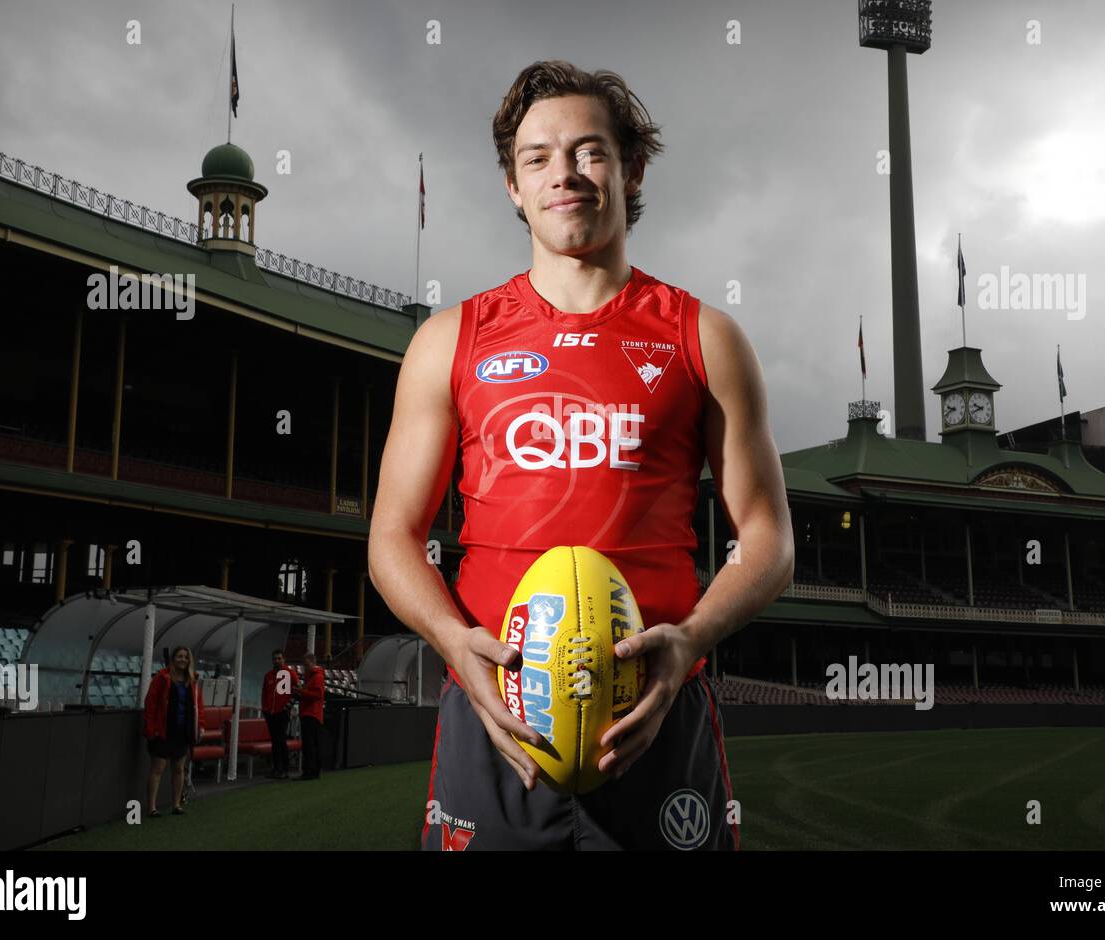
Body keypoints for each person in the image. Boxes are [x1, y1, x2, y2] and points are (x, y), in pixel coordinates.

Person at [369, 60, 793, 850]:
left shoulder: (703, 338)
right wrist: (455, 647)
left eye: (589, 151)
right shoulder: (448, 342)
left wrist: (692, 640)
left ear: (631, 168)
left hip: (656, 714)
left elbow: (769, 539)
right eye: (538, 158)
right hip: (497, 717)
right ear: (512, 185)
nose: (563, 174)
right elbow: (392, 536)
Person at [142, 646, 205, 817]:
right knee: (158, 768)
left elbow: (198, 706)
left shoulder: (192, 681)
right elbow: (150, 704)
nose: (183, 659)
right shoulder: (161, 678)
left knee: (179, 769)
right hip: (162, 731)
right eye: (179, 656)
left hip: (182, 731)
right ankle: (152, 808)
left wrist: (200, 726)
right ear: (173, 659)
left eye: (186, 657)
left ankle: (176, 805)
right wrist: (151, 728)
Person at [261, 650, 297, 779]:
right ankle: (276, 768)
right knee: (275, 741)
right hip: (270, 713)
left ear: (284, 659)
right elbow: (264, 694)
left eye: (279, 658)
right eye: (275, 658)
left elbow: (297, 691)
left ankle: (285, 769)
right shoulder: (268, 676)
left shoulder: (289, 674)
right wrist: (265, 709)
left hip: (282, 713)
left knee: (281, 740)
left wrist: (288, 706)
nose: (277, 661)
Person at [295, 653, 325, 780]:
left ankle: (309, 772)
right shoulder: (315, 676)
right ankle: (313, 771)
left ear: (312, 663)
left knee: (309, 745)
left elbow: (317, 695)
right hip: (313, 714)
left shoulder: (316, 677)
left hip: (311, 714)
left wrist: (301, 691)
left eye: (306, 665)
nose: (305, 667)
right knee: (312, 744)